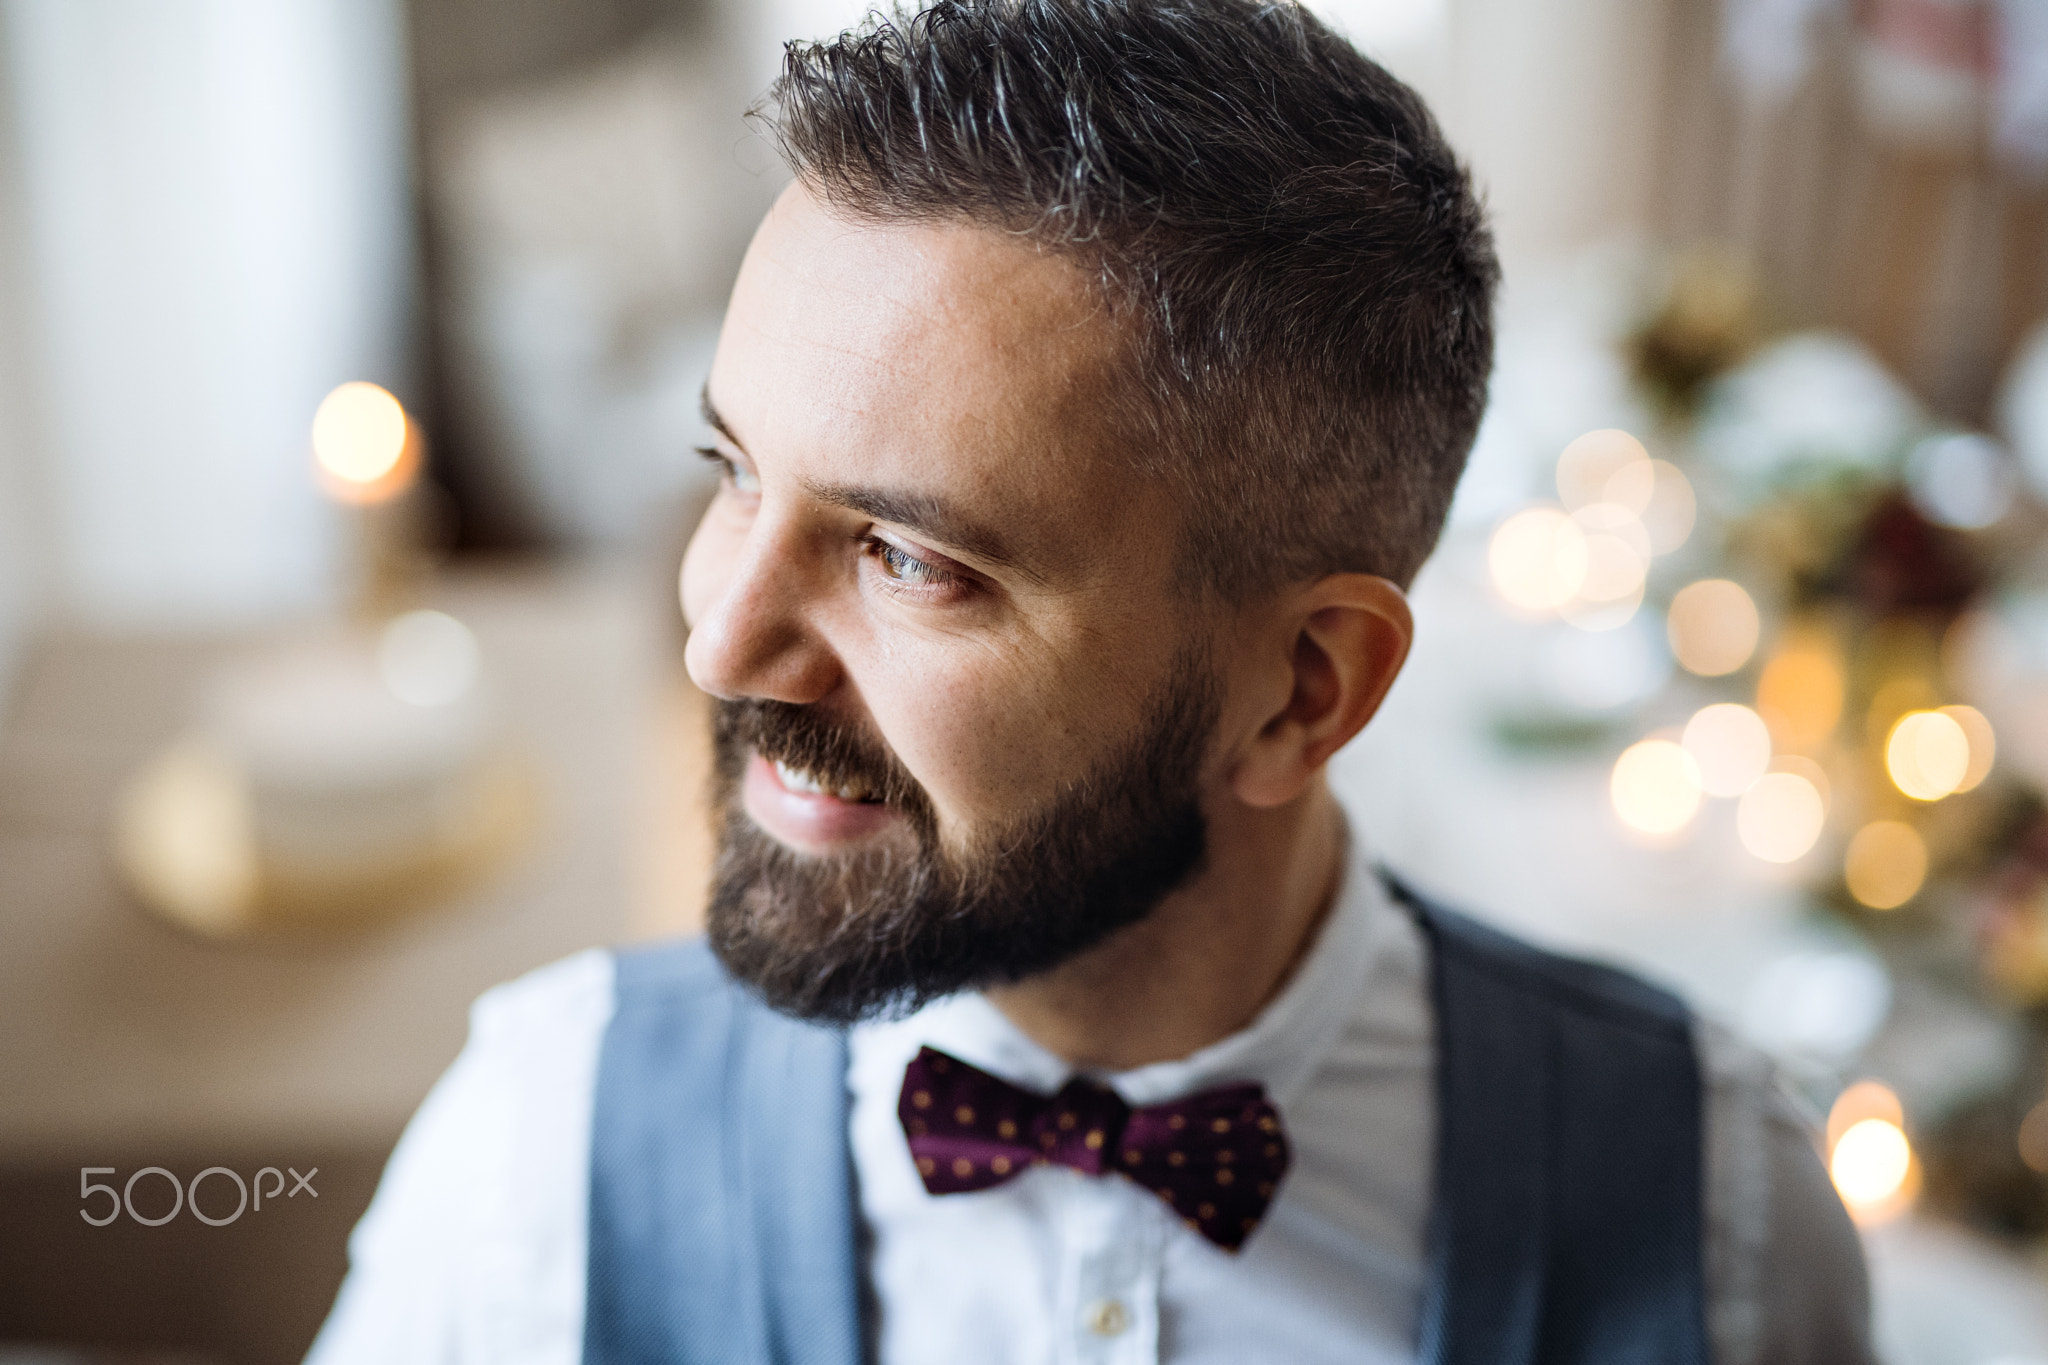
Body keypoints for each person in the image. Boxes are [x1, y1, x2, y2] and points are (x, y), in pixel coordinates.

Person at [308, 2, 1873, 1361]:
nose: (720, 642)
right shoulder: (536, 1143)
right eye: (730, 470)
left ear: (1304, 691)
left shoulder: (1719, 1208)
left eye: (911, 561)